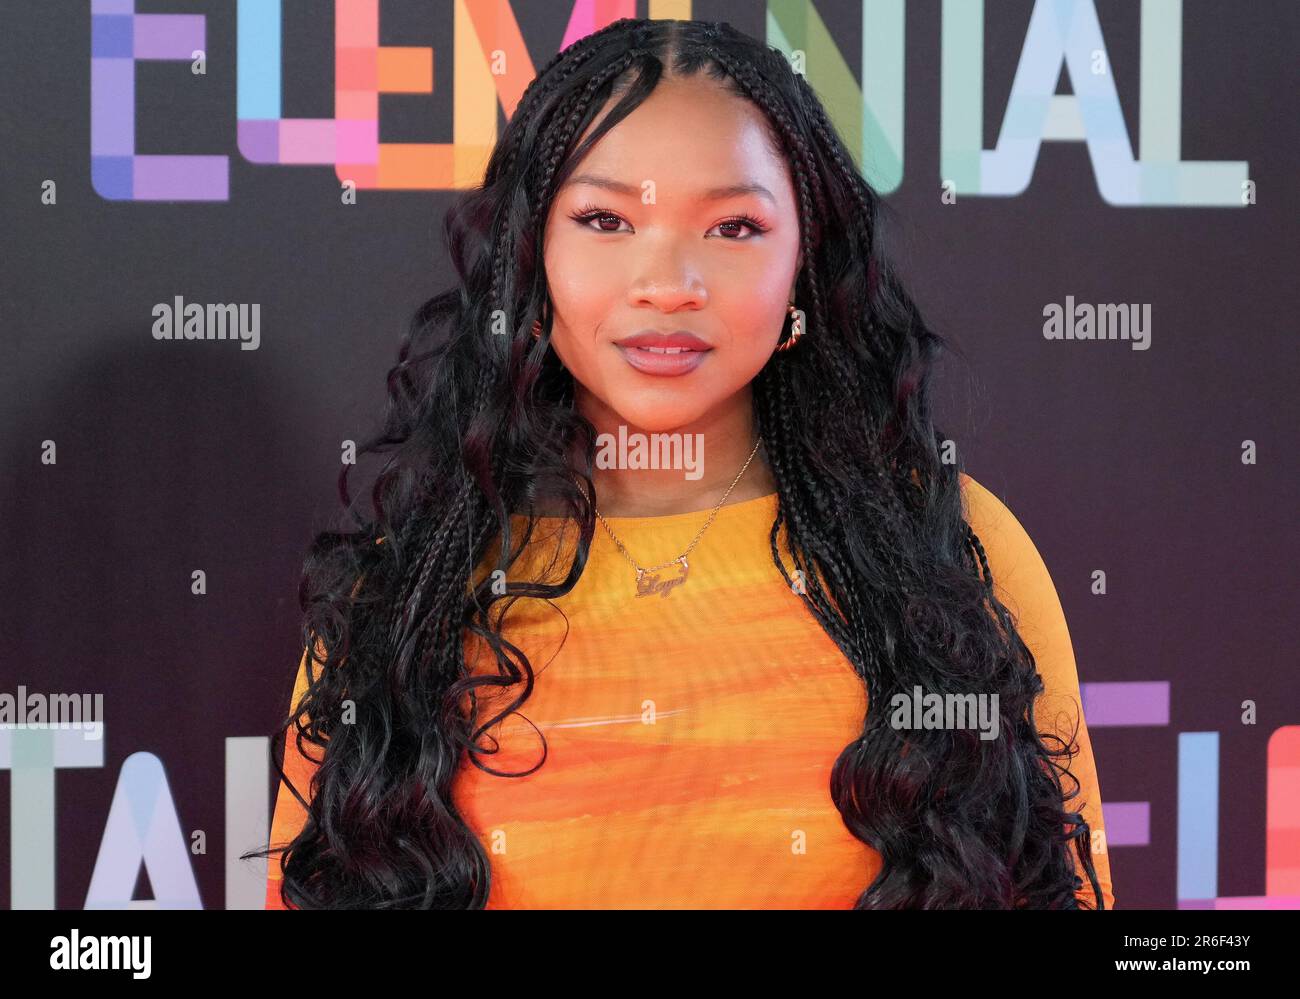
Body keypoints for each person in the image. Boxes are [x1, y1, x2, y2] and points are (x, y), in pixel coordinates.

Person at [249, 17, 1114, 909]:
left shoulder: (950, 549)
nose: (668, 282)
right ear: (530, 256)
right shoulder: (411, 586)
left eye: (734, 226)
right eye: (605, 219)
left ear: (804, 263)